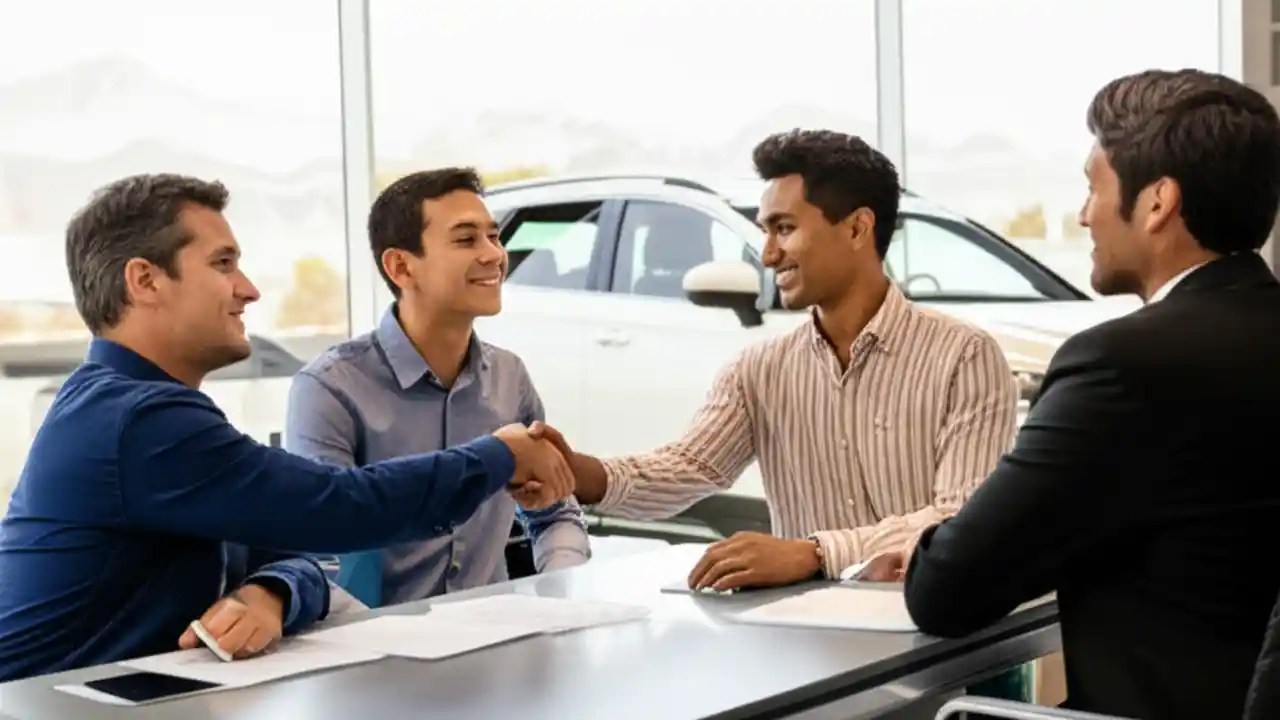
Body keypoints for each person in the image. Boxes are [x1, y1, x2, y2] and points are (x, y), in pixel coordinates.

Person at [0, 173, 573, 682]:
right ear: (145, 281)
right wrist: (499, 456)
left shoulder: (137, 408)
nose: (248, 289)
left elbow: (291, 549)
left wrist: (271, 591)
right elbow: (337, 509)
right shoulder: (138, 421)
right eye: (223, 264)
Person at [900, 69, 1280, 719]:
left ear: (1157, 201)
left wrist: (923, 541)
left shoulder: (1123, 365)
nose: (1083, 216)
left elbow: (948, 589)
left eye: (1092, 187)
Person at [535, 129, 1019, 591]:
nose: (767, 255)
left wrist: (814, 553)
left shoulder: (965, 357)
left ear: (857, 227)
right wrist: (578, 472)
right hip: (807, 637)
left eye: (784, 229)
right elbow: (689, 468)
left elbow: (960, 516)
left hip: (933, 639)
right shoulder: (759, 369)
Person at [286, 168, 590, 606]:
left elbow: (555, 509)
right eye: (466, 240)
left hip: (495, 643)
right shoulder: (329, 388)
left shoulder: (510, 376)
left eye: (494, 237)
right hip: (370, 650)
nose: (494, 255)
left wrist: (562, 594)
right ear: (401, 266)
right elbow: (317, 546)